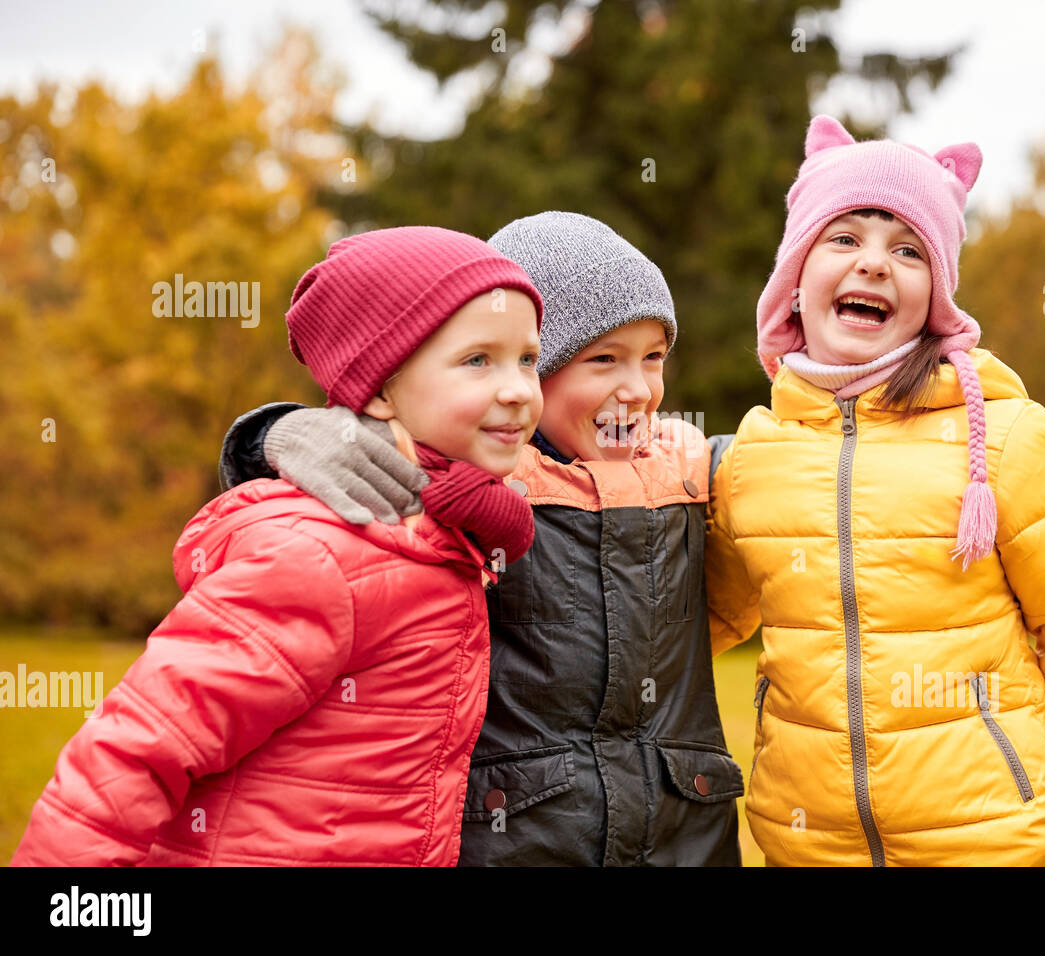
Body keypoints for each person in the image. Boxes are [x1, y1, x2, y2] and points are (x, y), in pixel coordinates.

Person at [705, 115, 1045, 866]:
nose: (874, 264)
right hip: (808, 845)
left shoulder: (1002, 440)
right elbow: (691, 626)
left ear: (935, 298)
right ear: (793, 282)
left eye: (908, 250)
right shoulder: (752, 458)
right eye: (843, 239)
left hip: (1000, 841)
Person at [216, 213, 744, 866]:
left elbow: (807, 462)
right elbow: (347, 474)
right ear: (525, 370)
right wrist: (274, 432)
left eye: (654, 357)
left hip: (685, 842)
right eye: (603, 358)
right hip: (519, 841)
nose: (637, 389)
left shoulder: (685, 467)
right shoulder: (470, 480)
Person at [11, 227, 543, 866]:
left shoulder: (453, 537)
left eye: (528, 360)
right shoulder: (327, 551)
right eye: (478, 360)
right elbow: (140, 745)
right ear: (377, 388)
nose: (517, 389)